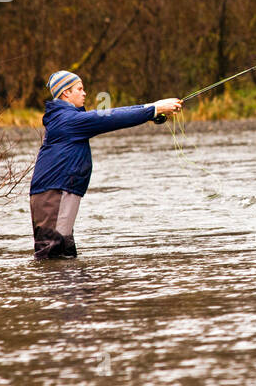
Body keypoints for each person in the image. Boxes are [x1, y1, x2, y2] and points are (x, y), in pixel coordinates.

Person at [29, 70, 182, 259]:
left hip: (56, 193)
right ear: (66, 93)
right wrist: (153, 110)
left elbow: (110, 113)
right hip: (54, 193)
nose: (85, 93)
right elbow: (110, 118)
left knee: (64, 255)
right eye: (80, 89)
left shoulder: (65, 118)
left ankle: (70, 288)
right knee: (54, 254)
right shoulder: (67, 120)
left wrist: (152, 108)